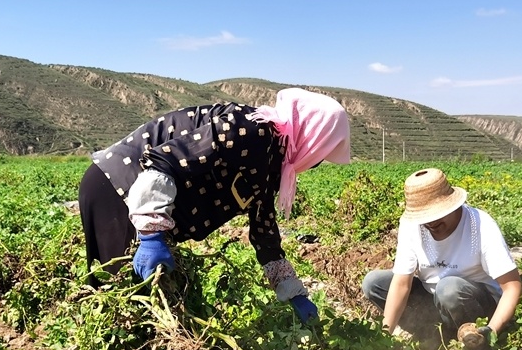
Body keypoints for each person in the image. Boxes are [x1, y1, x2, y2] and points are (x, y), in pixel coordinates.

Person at [78, 87, 351, 324]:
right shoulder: (252, 130)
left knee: (146, 304)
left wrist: (294, 293)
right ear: (313, 137)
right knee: (120, 300)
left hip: (136, 202)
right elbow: (164, 160)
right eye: (322, 153)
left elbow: (264, 232)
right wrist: (151, 233)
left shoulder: (272, 160)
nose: (315, 163)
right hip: (117, 189)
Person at [361, 168, 522, 350]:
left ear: (453, 205)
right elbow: (401, 284)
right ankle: (437, 336)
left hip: (478, 305)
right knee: (374, 283)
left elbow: (512, 287)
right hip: (437, 303)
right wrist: (383, 339)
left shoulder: (480, 225)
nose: (430, 223)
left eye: (436, 215)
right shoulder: (412, 226)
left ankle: (475, 343)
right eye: (424, 218)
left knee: (449, 288)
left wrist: (491, 331)